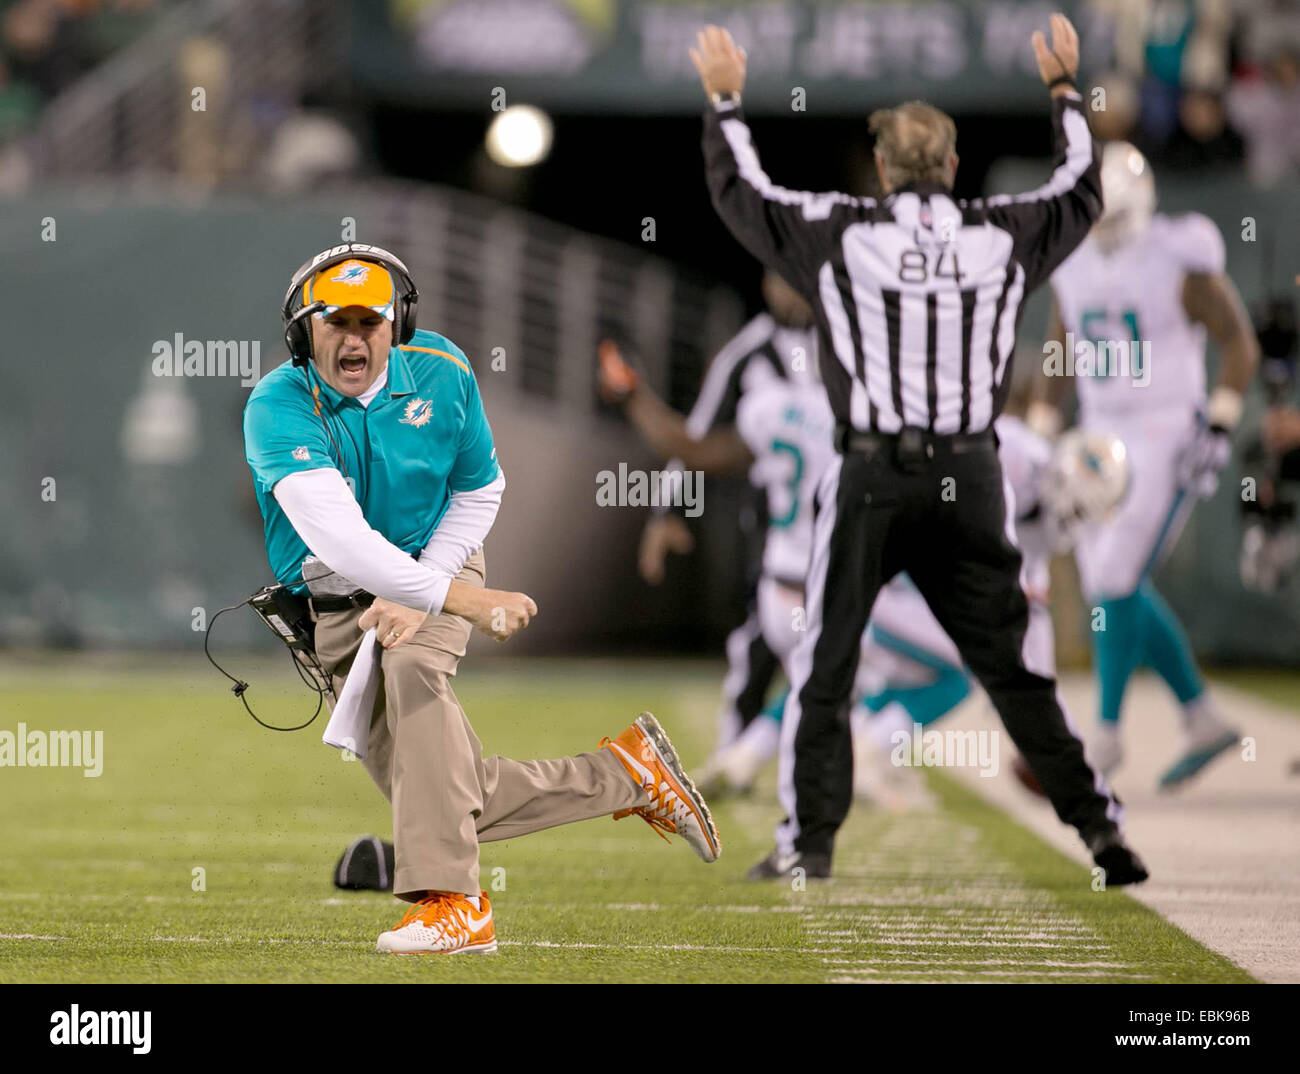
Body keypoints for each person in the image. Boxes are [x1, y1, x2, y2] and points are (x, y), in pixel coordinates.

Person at [689, 14, 1147, 886]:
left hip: (870, 477)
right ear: (952, 166)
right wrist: (1063, 92)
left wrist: (724, 101)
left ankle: (809, 845)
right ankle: (1104, 835)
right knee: (1013, 676)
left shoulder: (839, 234)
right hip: (970, 477)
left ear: (886, 169)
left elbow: (740, 194)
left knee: (828, 665)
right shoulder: (1002, 233)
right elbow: (1084, 189)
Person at [242, 243, 720, 952]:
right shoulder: (277, 404)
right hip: (342, 601)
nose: (353, 337)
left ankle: (456, 905)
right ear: (302, 331)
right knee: (441, 789)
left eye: (369, 321)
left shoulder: (443, 370)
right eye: (334, 321)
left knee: (413, 672)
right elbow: (341, 541)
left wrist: (431, 590)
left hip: (439, 556)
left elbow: (478, 489)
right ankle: (627, 774)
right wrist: (454, 601)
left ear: (396, 324)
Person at [1030, 141, 1259, 789]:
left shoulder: (1176, 254)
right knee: (1112, 577)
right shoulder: (1073, 259)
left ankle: (1102, 738)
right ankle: (1202, 718)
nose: (1104, 232)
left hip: (1165, 429)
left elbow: (1237, 342)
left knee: (1115, 571)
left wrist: (1218, 420)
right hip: (1101, 433)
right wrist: (1043, 430)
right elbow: (1062, 346)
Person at [596, 271, 818, 779]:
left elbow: (691, 446)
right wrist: (667, 510)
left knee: (822, 659)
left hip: (807, 550)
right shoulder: (755, 362)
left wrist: (632, 396)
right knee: (824, 658)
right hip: (794, 541)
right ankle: (755, 750)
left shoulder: (826, 366)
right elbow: (696, 444)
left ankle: (753, 755)